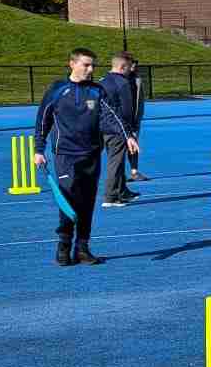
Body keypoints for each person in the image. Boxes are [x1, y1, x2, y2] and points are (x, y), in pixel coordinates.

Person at [34, 47, 138, 266]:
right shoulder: (57, 90)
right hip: (66, 156)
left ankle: (82, 247)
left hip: (91, 154)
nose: (90, 69)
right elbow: (43, 121)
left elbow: (111, 116)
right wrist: (38, 149)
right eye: (86, 65)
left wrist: (127, 135)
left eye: (93, 65)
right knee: (68, 201)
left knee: (87, 203)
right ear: (72, 64)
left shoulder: (96, 91)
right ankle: (63, 246)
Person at [98, 53, 142, 208]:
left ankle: (122, 191)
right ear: (122, 67)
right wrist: (130, 131)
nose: (131, 69)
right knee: (115, 161)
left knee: (117, 159)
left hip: (103, 126)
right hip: (117, 128)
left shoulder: (102, 81)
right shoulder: (122, 83)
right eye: (129, 66)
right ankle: (110, 196)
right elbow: (126, 110)